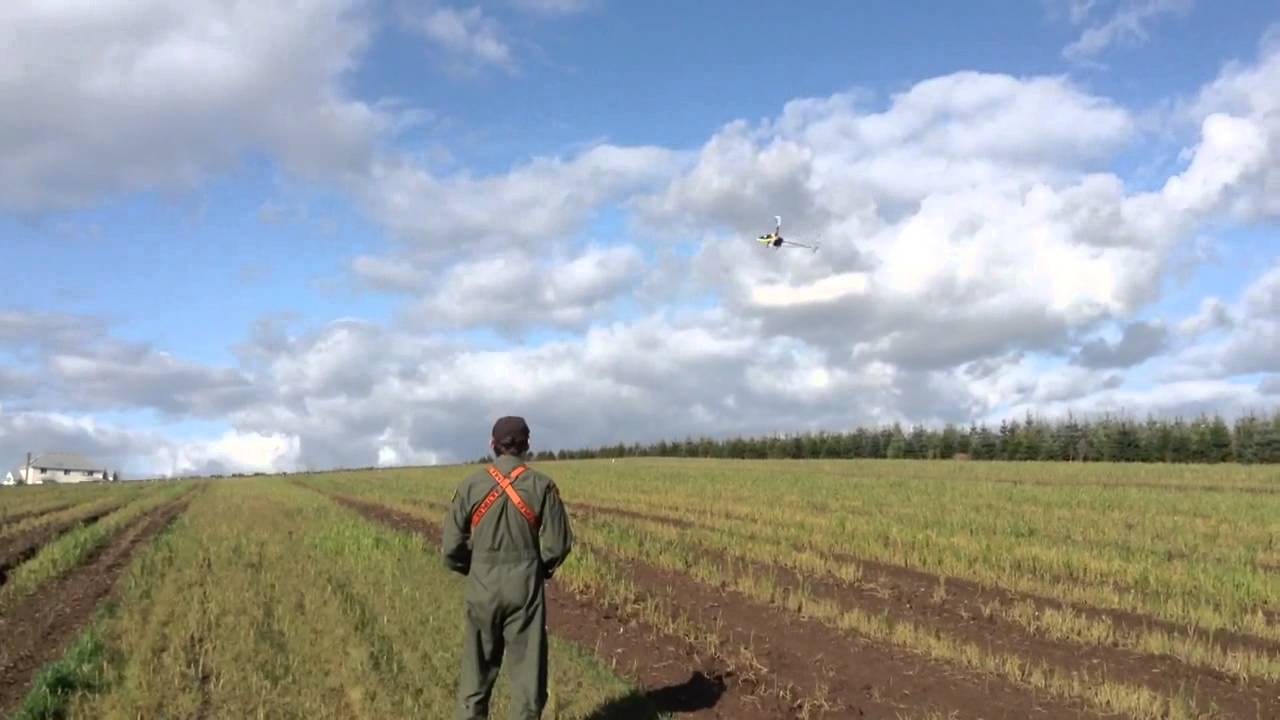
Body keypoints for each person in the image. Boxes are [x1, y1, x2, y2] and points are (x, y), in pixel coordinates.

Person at [442, 416, 574, 720]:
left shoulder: (471, 485)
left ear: (493, 445)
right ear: (527, 445)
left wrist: (473, 567)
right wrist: (538, 569)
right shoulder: (542, 486)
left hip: (482, 585)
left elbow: (450, 548)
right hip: (525, 587)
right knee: (528, 681)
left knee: (475, 676)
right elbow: (559, 543)